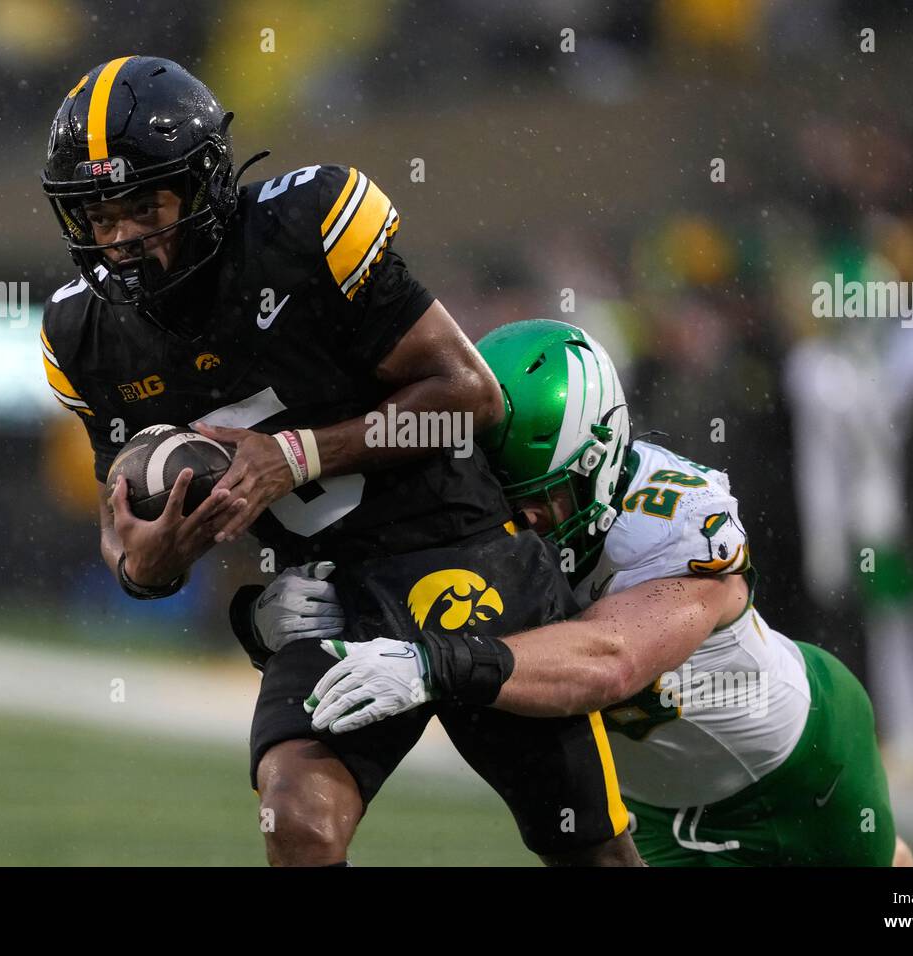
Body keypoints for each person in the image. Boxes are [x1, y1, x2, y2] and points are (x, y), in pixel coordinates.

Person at [39, 57, 635, 866]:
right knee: (298, 826)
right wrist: (148, 566)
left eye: (145, 206)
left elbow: (470, 395)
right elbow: (129, 531)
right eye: (99, 215)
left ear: (207, 184)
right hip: (322, 598)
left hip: (461, 552)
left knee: (589, 849)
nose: (122, 239)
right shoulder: (85, 334)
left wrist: (297, 454)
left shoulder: (303, 230)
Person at [282, 319, 913, 865]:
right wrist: (298, 613)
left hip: (803, 767)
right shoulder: (487, 512)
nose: (516, 520)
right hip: (656, 811)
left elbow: (611, 660)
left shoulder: (671, 522)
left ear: (599, 460)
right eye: (497, 497)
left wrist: (432, 662)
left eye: (536, 497)